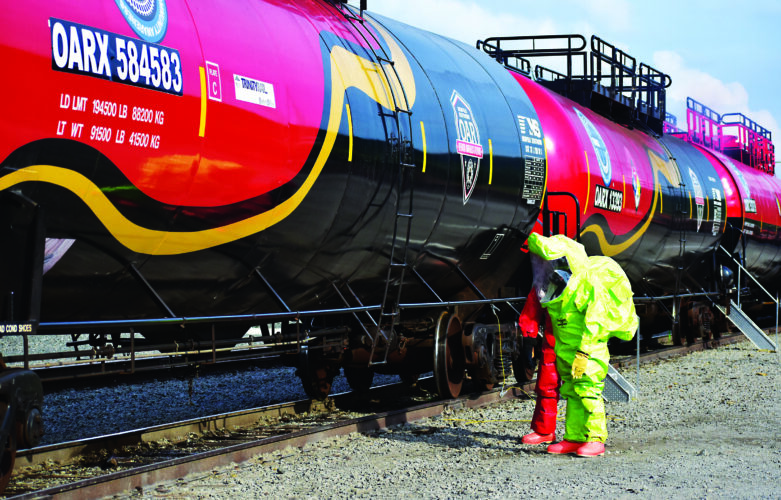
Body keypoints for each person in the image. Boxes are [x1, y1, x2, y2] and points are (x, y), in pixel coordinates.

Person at [526, 233, 637, 457]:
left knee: (588, 393)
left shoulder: (587, 284)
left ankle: (596, 438)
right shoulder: (558, 288)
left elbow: (596, 321)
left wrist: (584, 352)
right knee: (572, 393)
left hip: (588, 350)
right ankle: (575, 437)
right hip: (567, 351)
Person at [517, 236, 588, 445]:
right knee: (548, 383)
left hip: (576, 342)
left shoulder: (580, 284)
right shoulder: (545, 284)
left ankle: (582, 434)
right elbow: (532, 309)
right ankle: (546, 430)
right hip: (555, 340)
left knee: (582, 387)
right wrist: (528, 340)